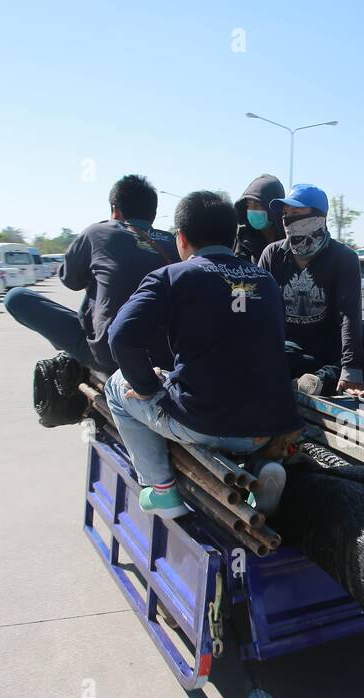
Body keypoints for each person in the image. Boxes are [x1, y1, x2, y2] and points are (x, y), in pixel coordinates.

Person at [104, 191, 301, 519]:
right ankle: (263, 465)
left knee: (115, 385)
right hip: (264, 429)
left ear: (181, 238)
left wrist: (146, 386)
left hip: (204, 423)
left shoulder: (171, 277)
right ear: (233, 235)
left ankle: (161, 490)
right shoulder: (265, 281)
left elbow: (121, 336)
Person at [5, 174, 178, 374]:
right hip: (167, 355)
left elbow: (71, 281)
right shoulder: (173, 242)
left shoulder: (98, 232)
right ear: (154, 214)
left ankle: (74, 351)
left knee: (15, 296)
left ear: (115, 210)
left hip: (110, 357)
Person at [257, 184, 364, 395]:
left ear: (318, 217)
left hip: (333, 345)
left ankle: (321, 379)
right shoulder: (272, 254)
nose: (287, 220)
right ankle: (323, 378)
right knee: (269, 354)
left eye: (296, 213)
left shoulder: (343, 257)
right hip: (291, 346)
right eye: (285, 214)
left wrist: (351, 370)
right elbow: (261, 309)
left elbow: (349, 316)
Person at [233, 174, 285, 263]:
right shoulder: (243, 240)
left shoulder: (291, 241)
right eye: (249, 205)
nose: (252, 210)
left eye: (258, 205)